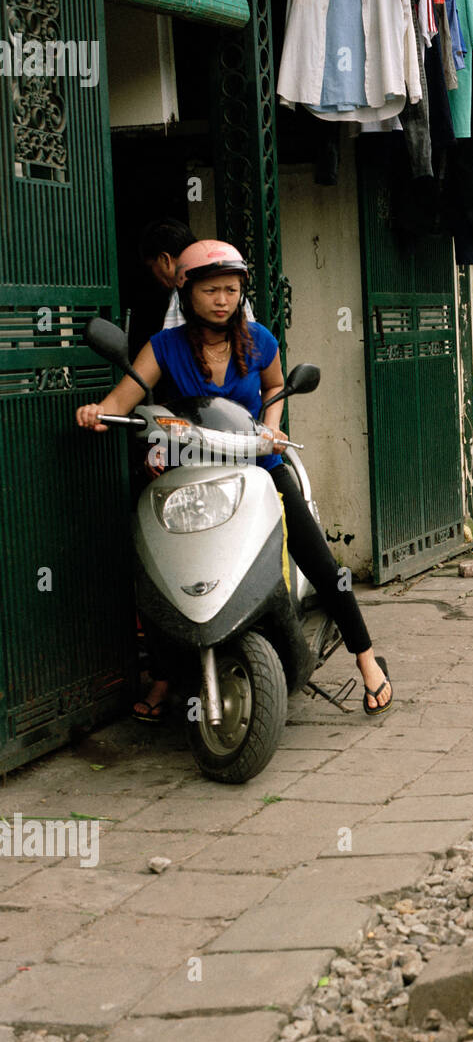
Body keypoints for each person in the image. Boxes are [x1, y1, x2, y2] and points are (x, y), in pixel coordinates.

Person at [75, 240, 394, 720]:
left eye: (230, 289)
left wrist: (271, 422)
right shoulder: (163, 347)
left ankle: (367, 661)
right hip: (187, 473)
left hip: (256, 467)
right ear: (187, 292)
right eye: (210, 290)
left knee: (320, 558)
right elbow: (124, 398)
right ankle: (162, 675)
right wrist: (97, 412)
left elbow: (274, 386)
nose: (222, 299)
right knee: (152, 564)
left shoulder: (261, 340)